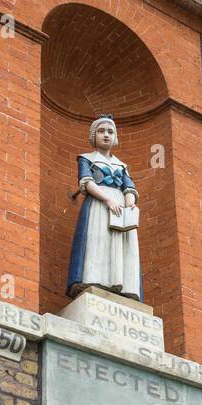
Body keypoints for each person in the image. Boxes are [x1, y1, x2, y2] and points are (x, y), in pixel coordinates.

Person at [66, 115, 141, 301]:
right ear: (94, 135)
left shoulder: (121, 165)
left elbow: (129, 187)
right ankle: (94, 279)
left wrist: (129, 202)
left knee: (122, 244)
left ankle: (123, 286)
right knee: (98, 240)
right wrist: (107, 200)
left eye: (110, 132)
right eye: (101, 131)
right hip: (99, 204)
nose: (106, 135)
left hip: (121, 207)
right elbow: (87, 182)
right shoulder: (86, 159)